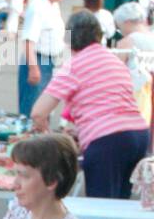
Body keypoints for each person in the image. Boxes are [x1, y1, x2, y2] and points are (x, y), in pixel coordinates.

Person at [32, 11, 149, 200]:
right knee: (120, 202)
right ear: (98, 35)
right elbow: (109, 103)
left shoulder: (73, 65)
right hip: (138, 134)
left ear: (69, 39)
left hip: (107, 139)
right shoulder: (114, 60)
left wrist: (49, 139)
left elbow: (38, 113)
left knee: (101, 205)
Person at [17, 0, 66, 117]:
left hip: (50, 60)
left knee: (45, 109)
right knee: (32, 108)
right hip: (37, 60)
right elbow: (28, 40)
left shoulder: (53, 5)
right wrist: (33, 68)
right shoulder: (37, 7)